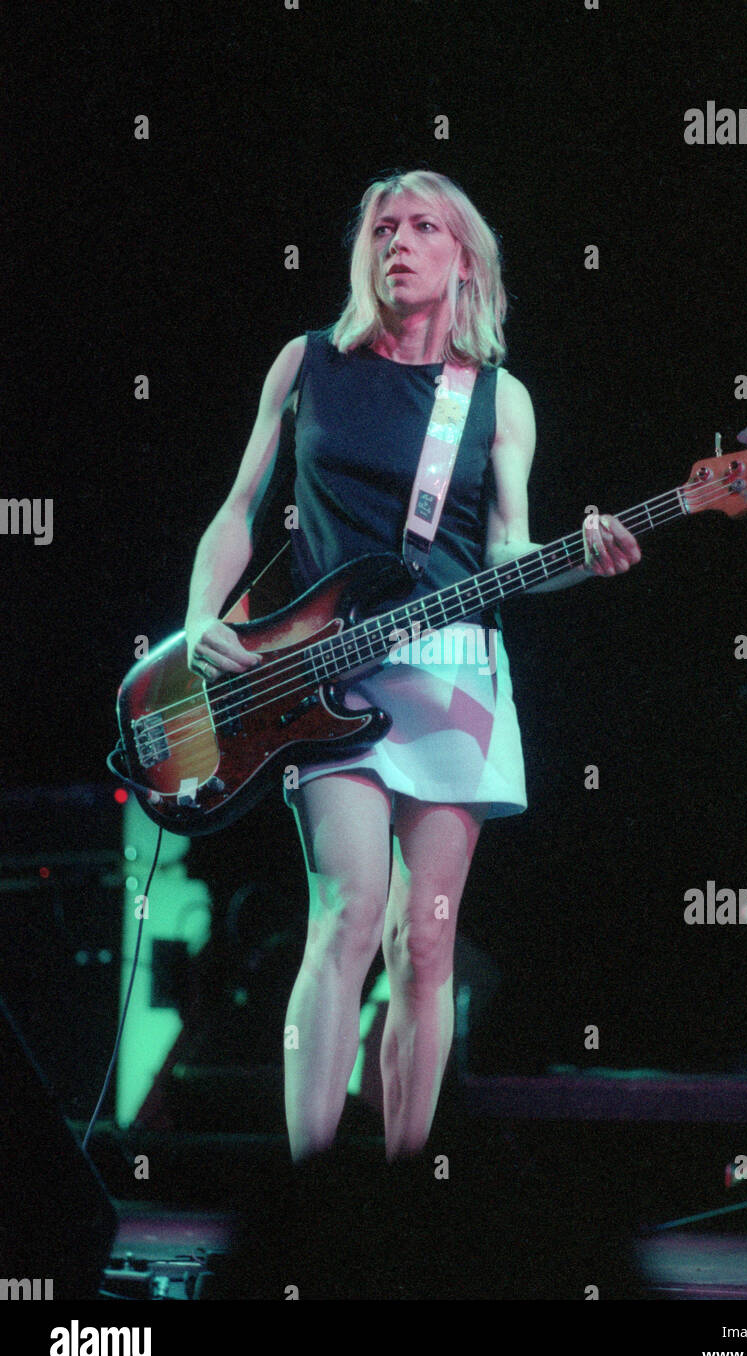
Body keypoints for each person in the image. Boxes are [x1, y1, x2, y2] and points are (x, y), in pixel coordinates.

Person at [183, 170, 641, 1161]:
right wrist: (195, 618)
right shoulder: (307, 364)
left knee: (423, 943)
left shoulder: (496, 397)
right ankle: (309, 1193)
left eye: (422, 226)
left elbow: (510, 558)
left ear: (461, 257)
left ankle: (399, 1187)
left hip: (452, 672)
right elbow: (235, 510)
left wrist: (582, 553)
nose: (398, 240)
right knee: (346, 912)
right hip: (319, 674)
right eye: (383, 226)